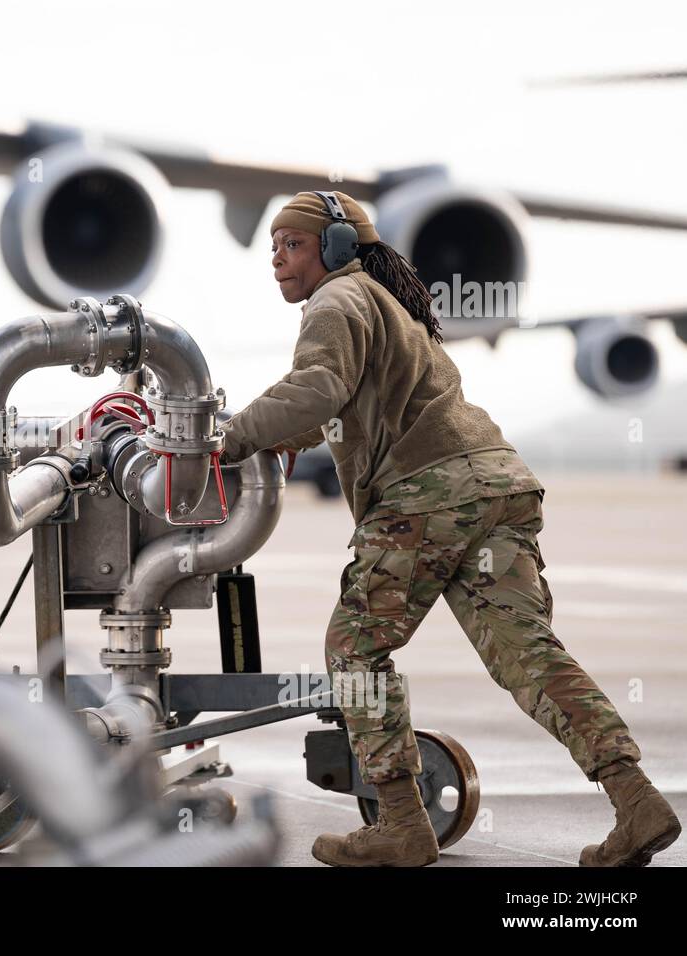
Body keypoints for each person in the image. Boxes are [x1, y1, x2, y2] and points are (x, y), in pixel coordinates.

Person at [220, 190, 681, 867]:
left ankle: (402, 823)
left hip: (427, 496)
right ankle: (636, 801)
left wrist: (225, 440)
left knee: (354, 651)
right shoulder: (384, 304)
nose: (278, 261)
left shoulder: (336, 302)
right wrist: (301, 435)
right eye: (273, 248)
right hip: (494, 486)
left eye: (291, 245)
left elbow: (318, 387)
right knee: (528, 656)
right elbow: (357, 398)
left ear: (337, 247)